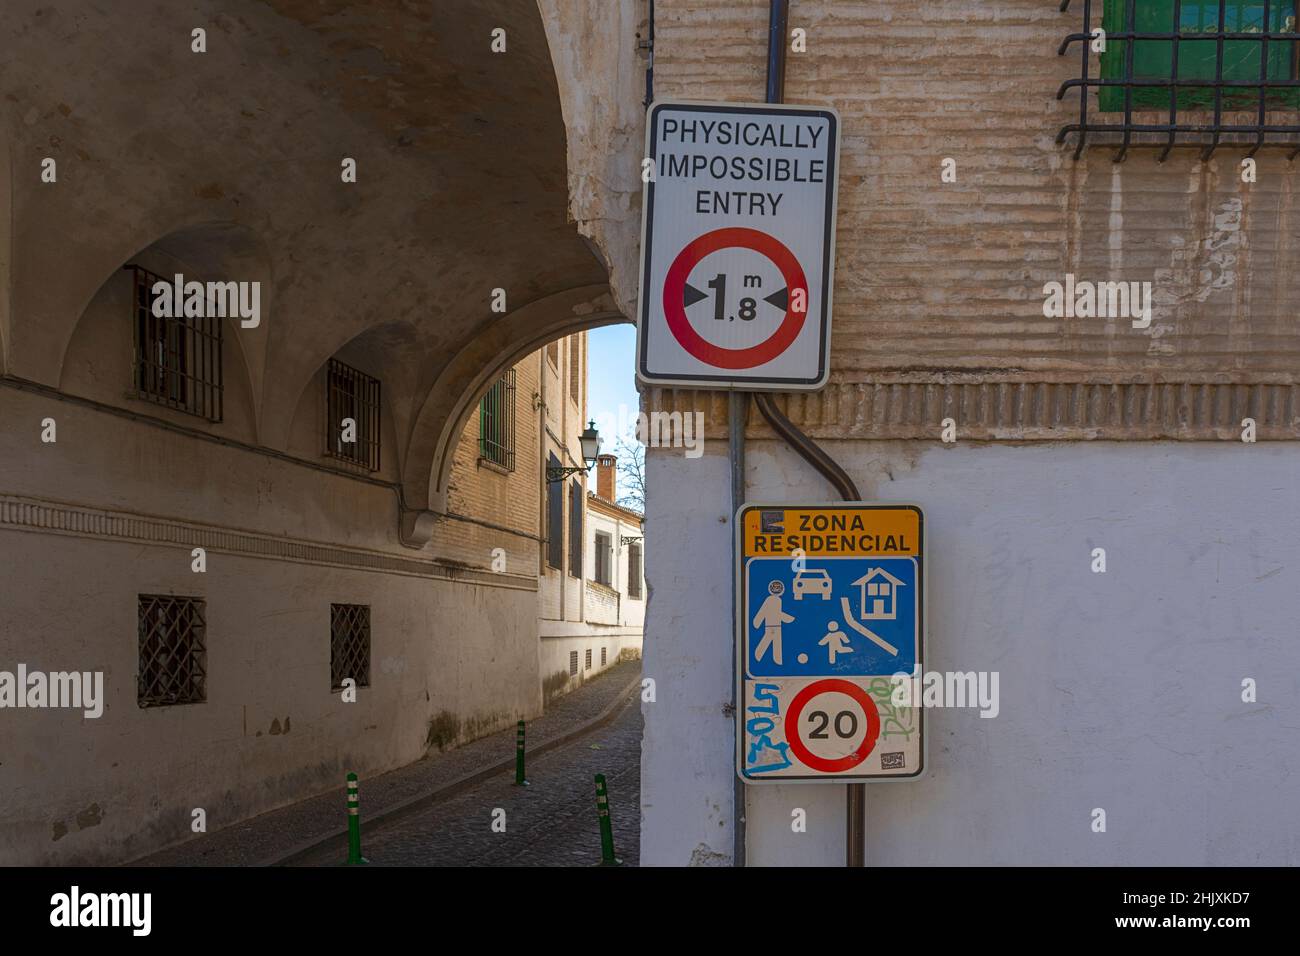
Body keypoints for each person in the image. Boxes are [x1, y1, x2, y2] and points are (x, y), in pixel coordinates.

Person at [753, 580, 795, 665]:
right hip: (770, 625)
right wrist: (757, 622)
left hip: (777, 625)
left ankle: (778, 661)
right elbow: (763, 611)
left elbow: (777, 613)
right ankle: (758, 656)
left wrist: (787, 618)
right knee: (768, 639)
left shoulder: (778, 600)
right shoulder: (770, 600)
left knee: (776, 643)